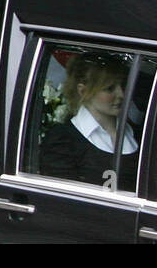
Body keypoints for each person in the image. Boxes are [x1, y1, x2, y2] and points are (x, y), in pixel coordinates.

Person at [42, 53, 141, 191]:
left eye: (123, 86)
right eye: (110, 88)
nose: (121, 94)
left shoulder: (138, 134)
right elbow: (62, 201)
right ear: (83, 91)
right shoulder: (64, 140)